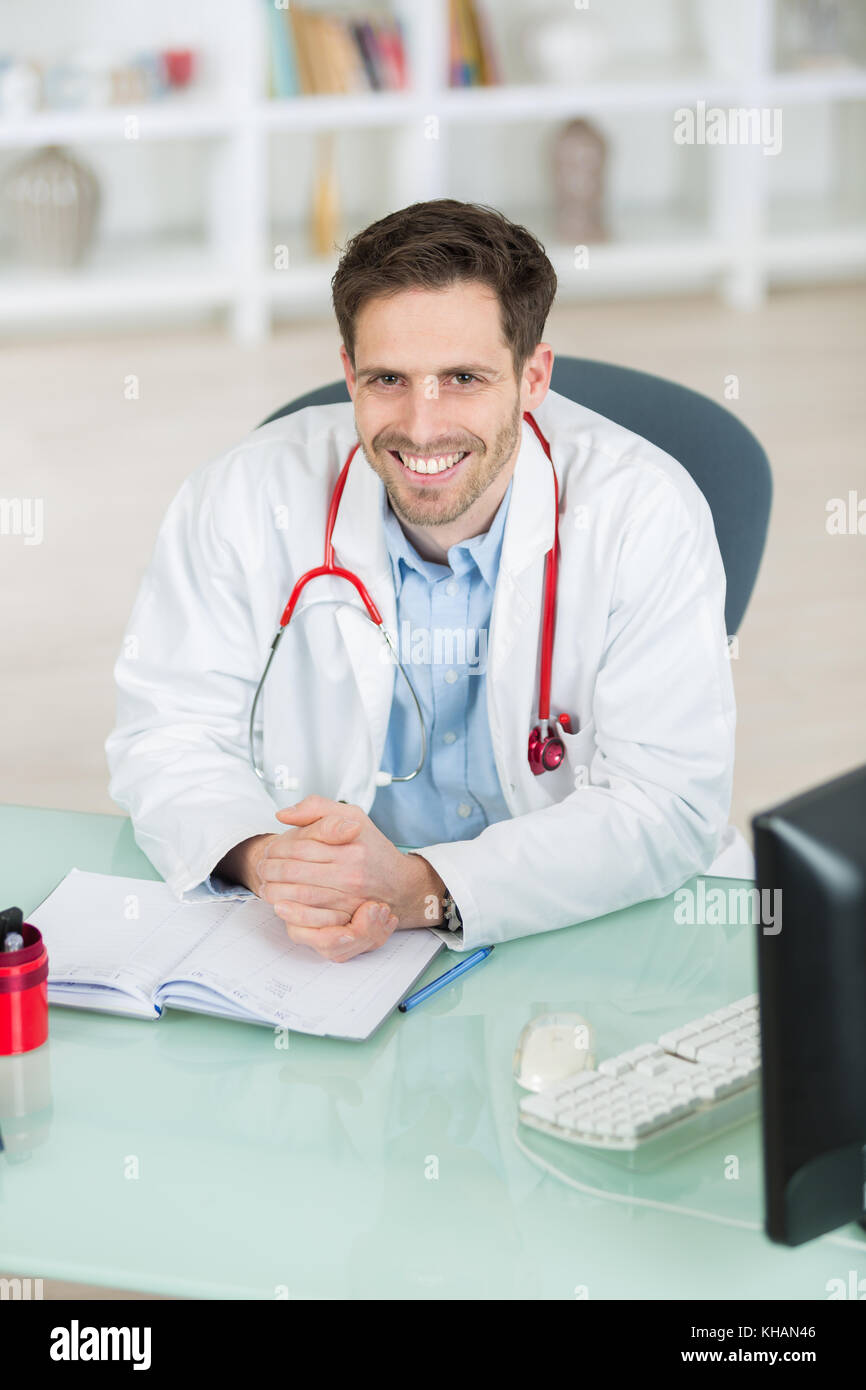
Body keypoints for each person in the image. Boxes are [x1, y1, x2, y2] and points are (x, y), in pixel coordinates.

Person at [105, 198, 752, 963]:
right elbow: (169, 734)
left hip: (582, 920)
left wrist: (421, 888)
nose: (421, 424)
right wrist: (267, 860)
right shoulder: (242, 496)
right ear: (348, 373)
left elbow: (664, 805)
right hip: (332, 946)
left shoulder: (642, 510)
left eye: (464, 378)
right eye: (388, 378)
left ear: (532, 376)